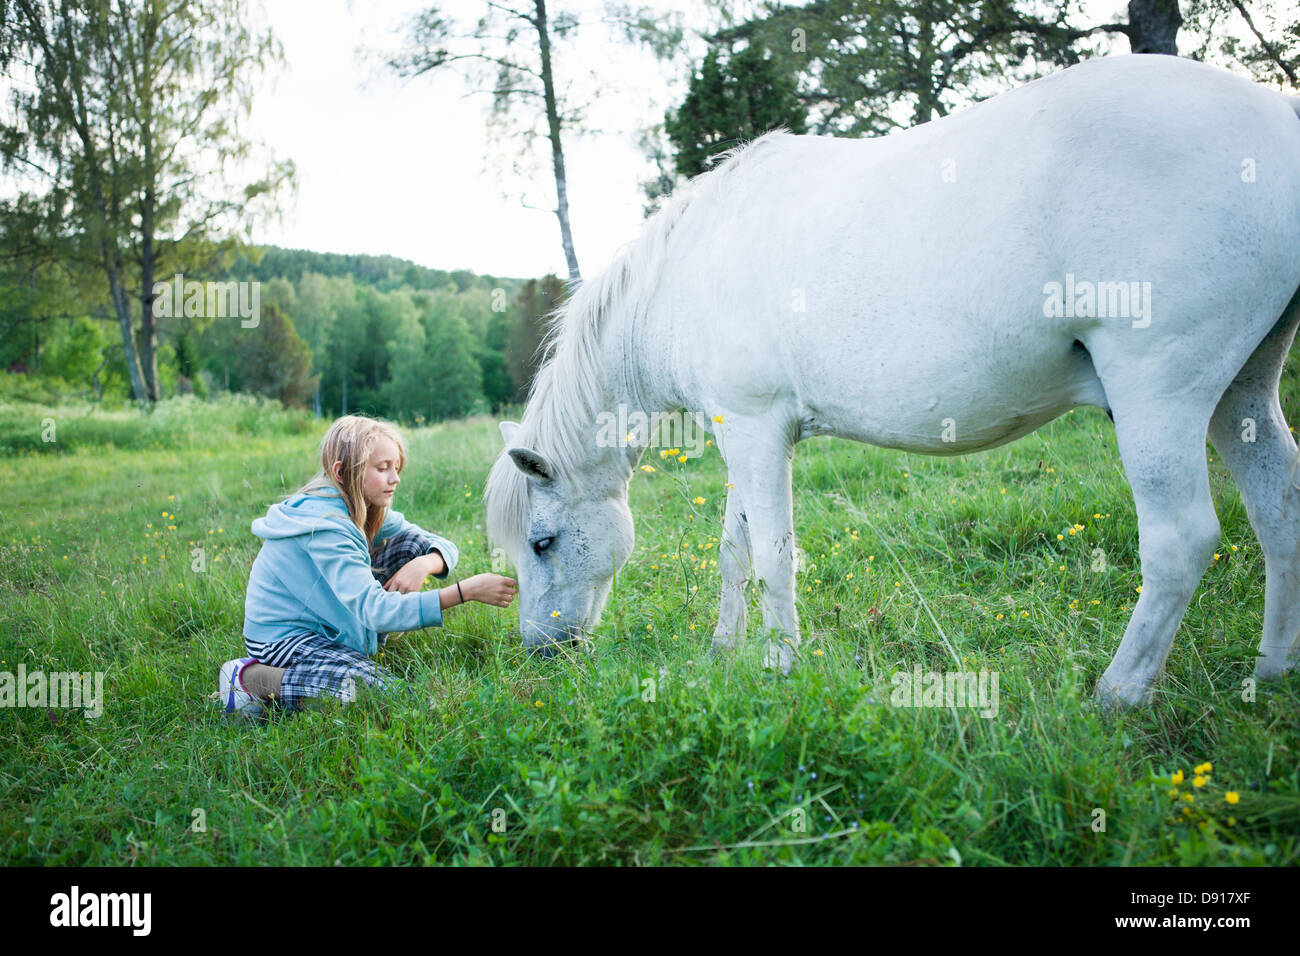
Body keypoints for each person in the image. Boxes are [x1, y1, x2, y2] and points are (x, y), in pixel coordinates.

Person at [218, 414, 516, 718]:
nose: (395, 478)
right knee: (387, 697)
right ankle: (251, 680)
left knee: (412, 546)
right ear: (342, 473)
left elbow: (436, 543)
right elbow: (375, 610)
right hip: (282, 641)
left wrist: (425, 563)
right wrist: (466, 591)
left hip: (330, 622)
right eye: (382, 468)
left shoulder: (365, 505)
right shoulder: (326, 527)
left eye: (396, 467)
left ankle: (352, 656)